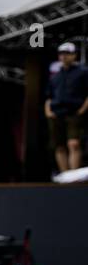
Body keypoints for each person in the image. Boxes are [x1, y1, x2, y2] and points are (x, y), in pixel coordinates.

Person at [47, 42, 88, 174]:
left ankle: (73, 175)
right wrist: (48, 110)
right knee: (59, 146)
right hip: (56, 112)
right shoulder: (55, 76)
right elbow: (49, 95)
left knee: (73, 143)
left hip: (74, 112)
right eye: (61, 54)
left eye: (67, 54)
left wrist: (83, 109)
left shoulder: (82, 72)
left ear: (74, 55)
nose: (63, 56)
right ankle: (65, 176)